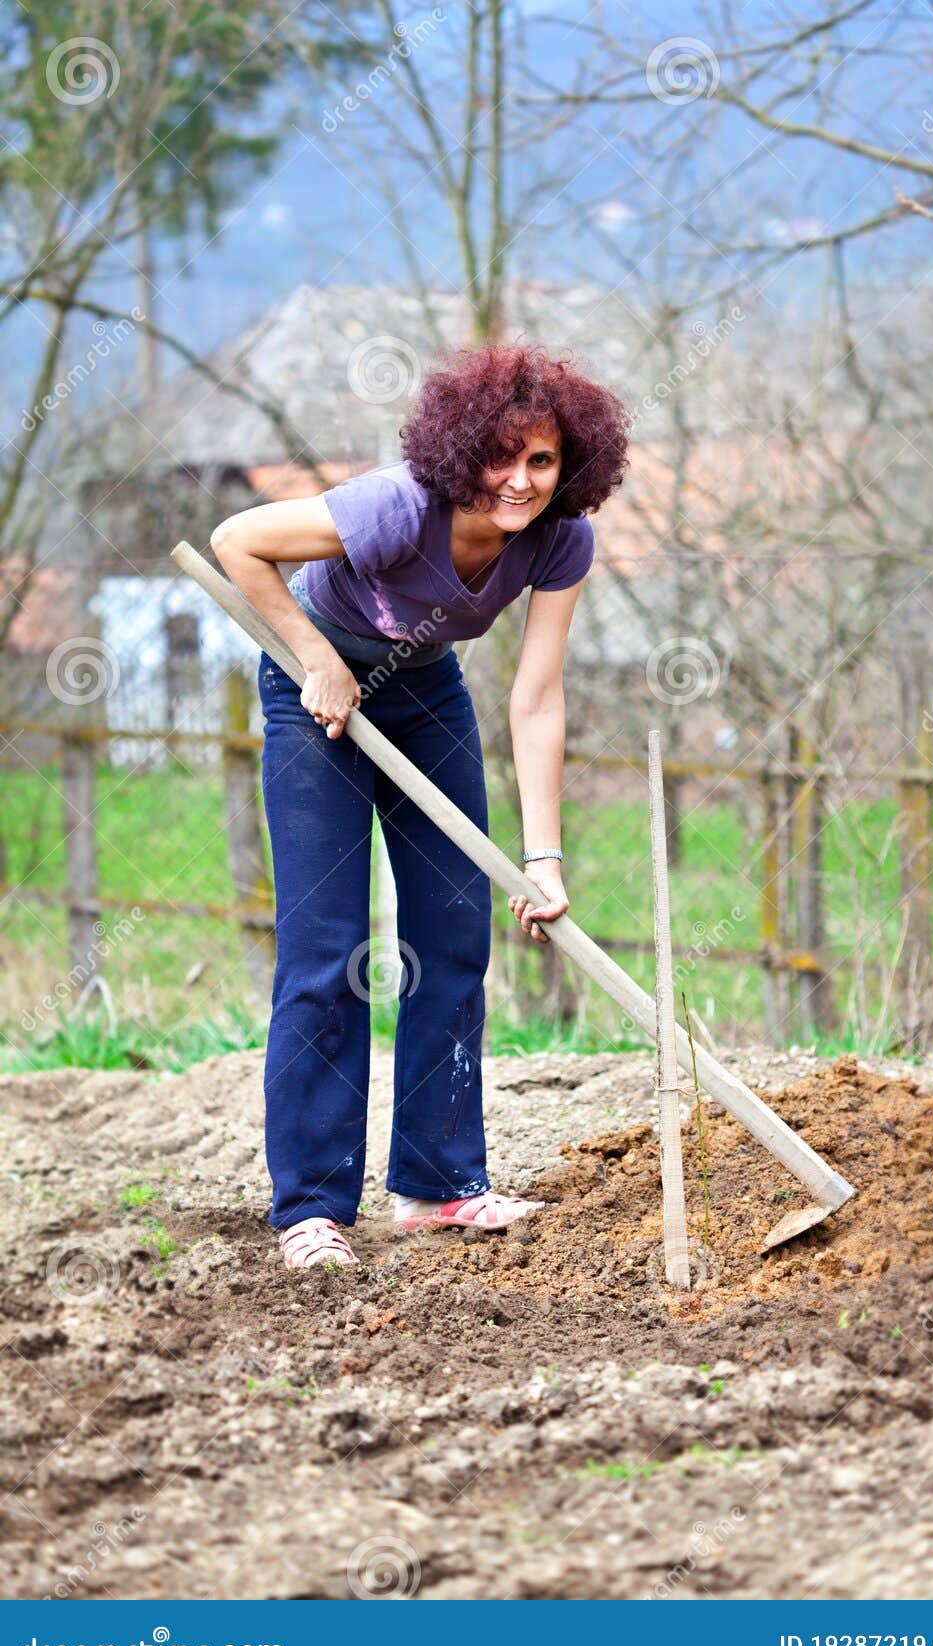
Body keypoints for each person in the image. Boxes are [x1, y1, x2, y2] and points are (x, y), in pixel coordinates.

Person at [210, 342, 630, 1269]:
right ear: (461, 448)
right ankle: (312, 1208)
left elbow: (537, 697)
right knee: (327, 947)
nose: (519, 481)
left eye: (542, 462)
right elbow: (236, 542)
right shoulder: (397, 506)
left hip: (425, 692)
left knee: (451, 938)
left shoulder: (560, 540)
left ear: (571, 469)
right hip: (311, 681)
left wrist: (544, 857)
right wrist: (315, 660)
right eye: (502, 455)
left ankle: (438, 1186)